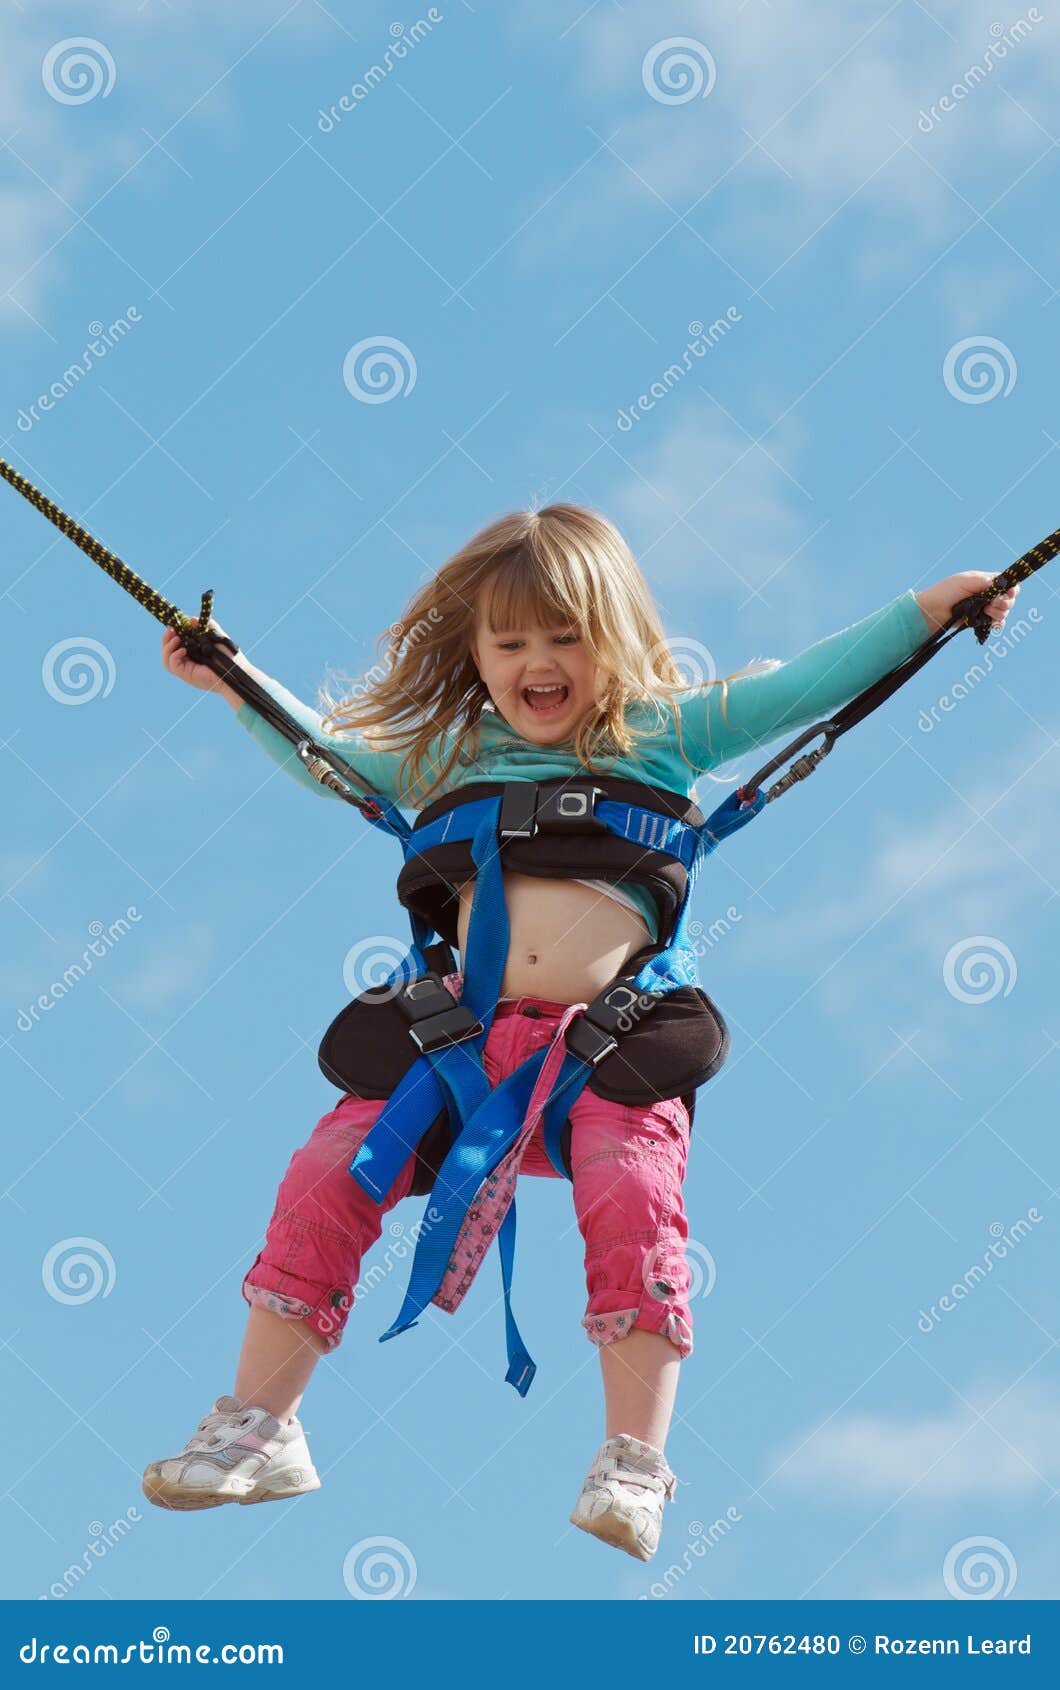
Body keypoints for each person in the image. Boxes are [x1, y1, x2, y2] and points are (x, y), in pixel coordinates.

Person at [141, 503, 1017, 1559]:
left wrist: (926, 610)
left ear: (615, 640)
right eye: (509, 643)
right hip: (456, 1051)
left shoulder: (669, 730)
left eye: (565, 638)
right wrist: (236, 683)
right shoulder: (445, 754)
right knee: (326, 1174)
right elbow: (321, 753)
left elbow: (806, 684)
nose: (538, 663)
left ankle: (634, 1461)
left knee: (634, 1200)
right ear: (475, 651)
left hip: (604, 1048)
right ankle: (259, 1425)